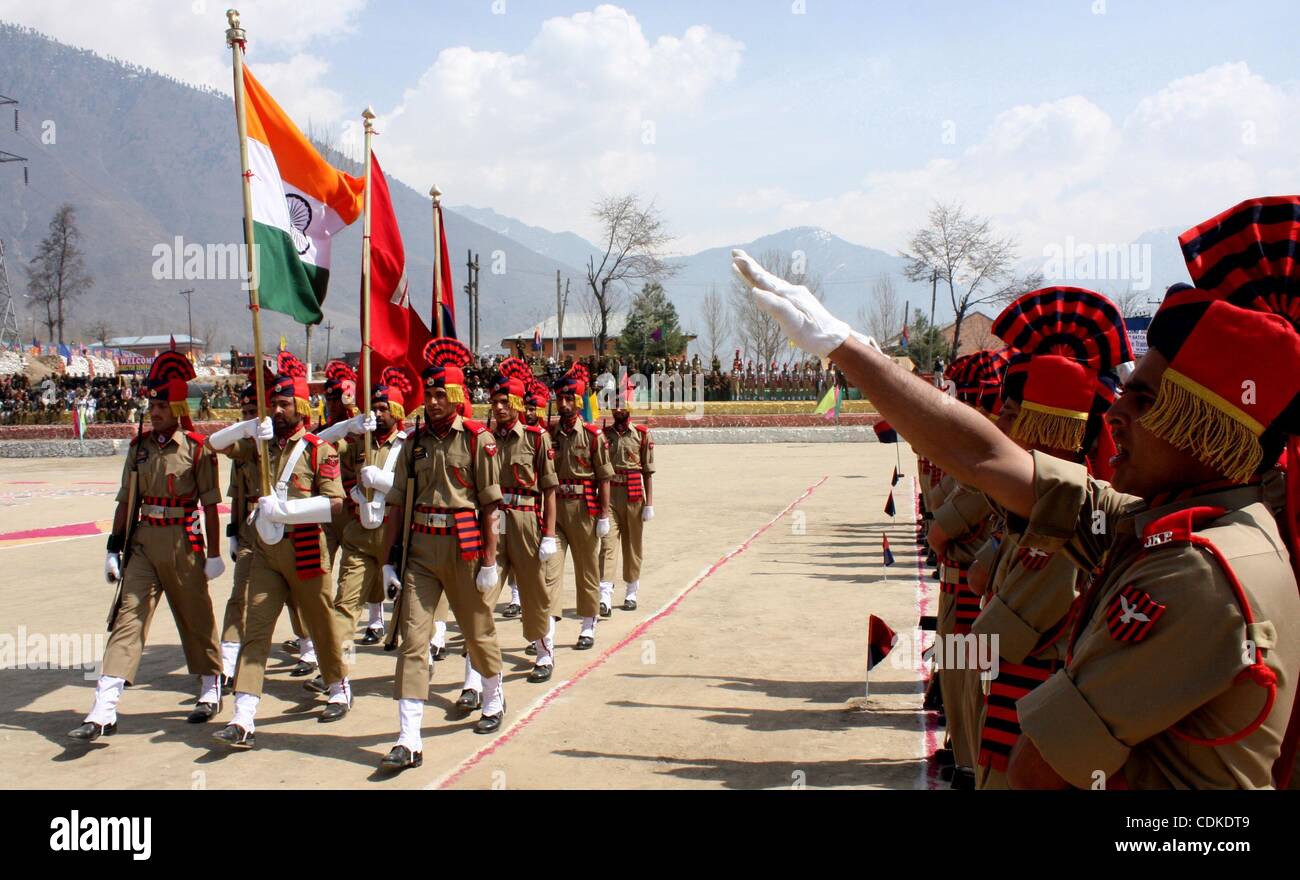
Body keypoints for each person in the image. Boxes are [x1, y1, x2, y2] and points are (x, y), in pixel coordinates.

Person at [732, 194, 1300, 789]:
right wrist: (846, 347)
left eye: (1145, 399)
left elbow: (1040, 767)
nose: (1114, 416)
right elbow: (983, 455)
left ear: (1205, 424)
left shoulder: (1196, 571)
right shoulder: (1163, 523)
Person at [968, 286, 1131, 789]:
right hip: (1011, 698)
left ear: (1045, 421)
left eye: (1014, 414)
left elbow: (993, 638)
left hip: (1026, 708)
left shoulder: (1064, 513)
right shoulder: (1042, 502)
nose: (1001, 423)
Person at [70, 346, 226, 741]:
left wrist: (214, 554)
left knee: (195, 618)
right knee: (128, 619)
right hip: (142, 544)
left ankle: (210, 687)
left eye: (161, 404)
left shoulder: (197, 448)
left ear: (176, 406)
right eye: (151, 404)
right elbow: (127, 500)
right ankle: (104, 708)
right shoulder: (138, 449)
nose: (154, 411)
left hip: (183, 545)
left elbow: (210, 505)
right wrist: (112, 546)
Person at [207, 351, 353, 749]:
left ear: (302, 406)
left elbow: (335, 503)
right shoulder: (259, 446)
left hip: (306, 547)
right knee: (257, 628)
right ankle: (244, 716)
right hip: (267, 552)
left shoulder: (320, 450)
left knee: (320, 623)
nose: (277, 409)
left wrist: (288, 510)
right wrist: (250, 425)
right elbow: (214, 443)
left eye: (284, 403)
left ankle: (338, 685)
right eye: (274, 403)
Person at [371, 338, 504, 773]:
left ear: (457, 397)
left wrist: (489, 560)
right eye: (427, 394)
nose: (430, 402)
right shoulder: (415, 442)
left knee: (477, 628)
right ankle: (409, 738)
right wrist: (391, 557)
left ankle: (492, 693)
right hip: (421, 553)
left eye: (438, 394)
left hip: (465, 549)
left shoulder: (478, 441)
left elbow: (489, 506)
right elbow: (396, 502)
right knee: (414, 640)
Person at [481, 358, 560, 683]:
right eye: (495, 401)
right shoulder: (483, 440)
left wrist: (549, 535)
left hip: (527, 520)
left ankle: (543, 652)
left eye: (505, 402)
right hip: (493, 522)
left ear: (515, 403)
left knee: (534, 592)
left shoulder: (535, 438)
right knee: (481, 597)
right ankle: (476, 675)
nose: (499, 408)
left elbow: (549, 489)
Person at [546, 364, 614, 650]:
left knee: (587, 570)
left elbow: (604, 477)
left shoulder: (592, 435)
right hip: (557, 510)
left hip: (585, 509)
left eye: (568, 399)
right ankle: (546, 632)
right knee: (549, 573)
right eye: (559, 399)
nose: (563, 404)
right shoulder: (548, 435)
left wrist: (604, 515)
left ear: (578, 401)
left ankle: (588, 624)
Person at [599, 376, 655, 614]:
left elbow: (647, 471)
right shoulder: (603, 435)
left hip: (633, 495)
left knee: (633, 546)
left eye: (622, 403)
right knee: (608, 544)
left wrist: (648, 504)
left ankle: (631, 590)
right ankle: (605, 595)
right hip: (610, 495)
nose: (618, 408)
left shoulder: (641, 434)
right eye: (615, 403)